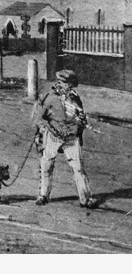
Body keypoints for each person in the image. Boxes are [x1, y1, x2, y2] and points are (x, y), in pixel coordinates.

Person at [32, 70, 98, 208]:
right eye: (61, 82)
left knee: (79, 169)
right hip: (53, 136)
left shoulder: (75, 99)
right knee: (46, 166)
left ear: (71, 85)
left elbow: (81, 117)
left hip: (71, 138)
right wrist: (45, 128)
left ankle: (85, 199)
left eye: (66, 83)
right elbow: (38, 117)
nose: (61, 85)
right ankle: (43, 195)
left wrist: (80, 125)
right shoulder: (49, 97)